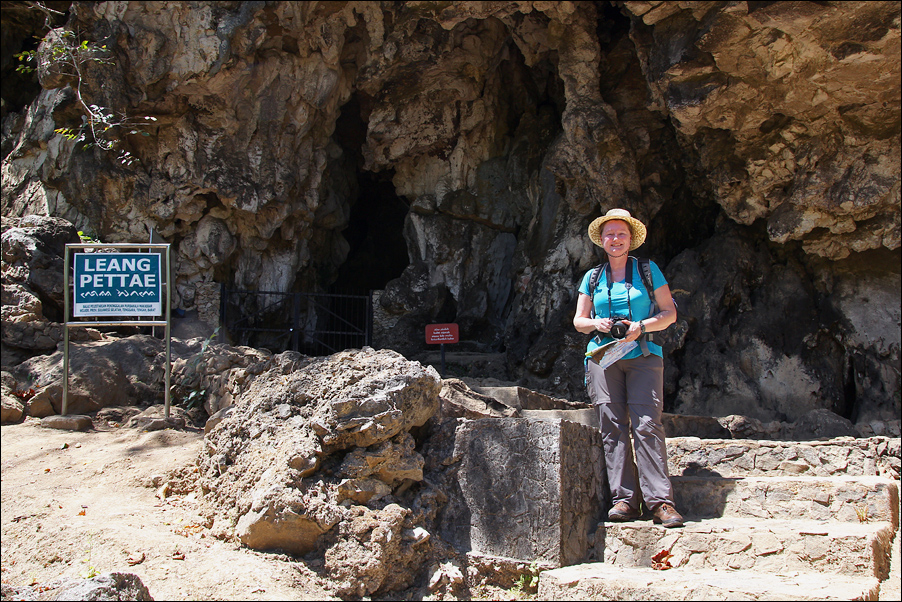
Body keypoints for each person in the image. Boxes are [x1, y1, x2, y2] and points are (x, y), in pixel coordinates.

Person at [572, 208, 684, 528]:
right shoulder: (592, 277)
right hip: (603, 357)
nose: (615, 239)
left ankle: (660, 502)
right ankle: (624, 500)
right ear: (602, 241)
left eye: (621, 234)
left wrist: (642, 325)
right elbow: (579, 322)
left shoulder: (648, 271)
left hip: (643, 354)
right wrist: (597, 322)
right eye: (610, 234)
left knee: (647, 424)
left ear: (631, 238)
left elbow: (669, 313)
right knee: (612, 427)